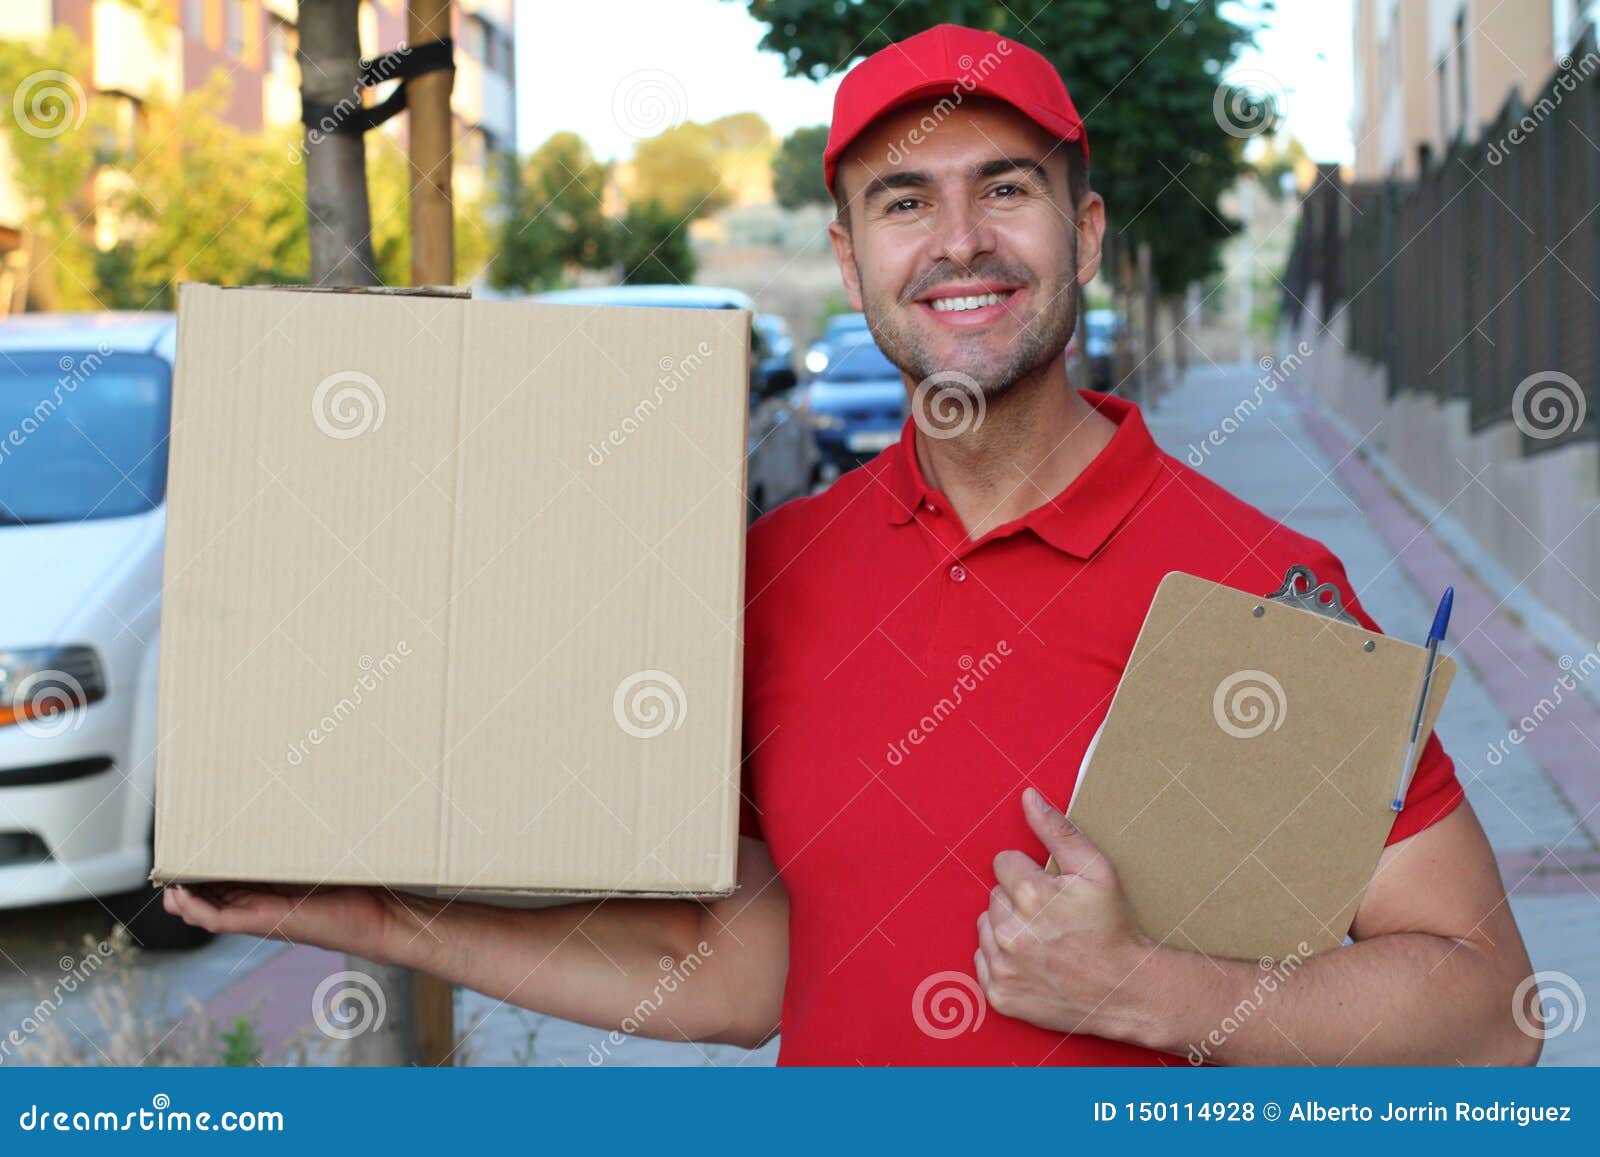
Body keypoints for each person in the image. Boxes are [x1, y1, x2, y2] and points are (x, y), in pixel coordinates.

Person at [167, 23, 1539, 1066]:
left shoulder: (1261, 587)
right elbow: (739, 970)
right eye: (903, 201)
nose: (958, 242)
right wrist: (377, 922)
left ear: (1086, 230)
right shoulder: (765, 575)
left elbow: (1491, 1009)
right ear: (847, 255)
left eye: (1006, 188)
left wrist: (1141, 987)